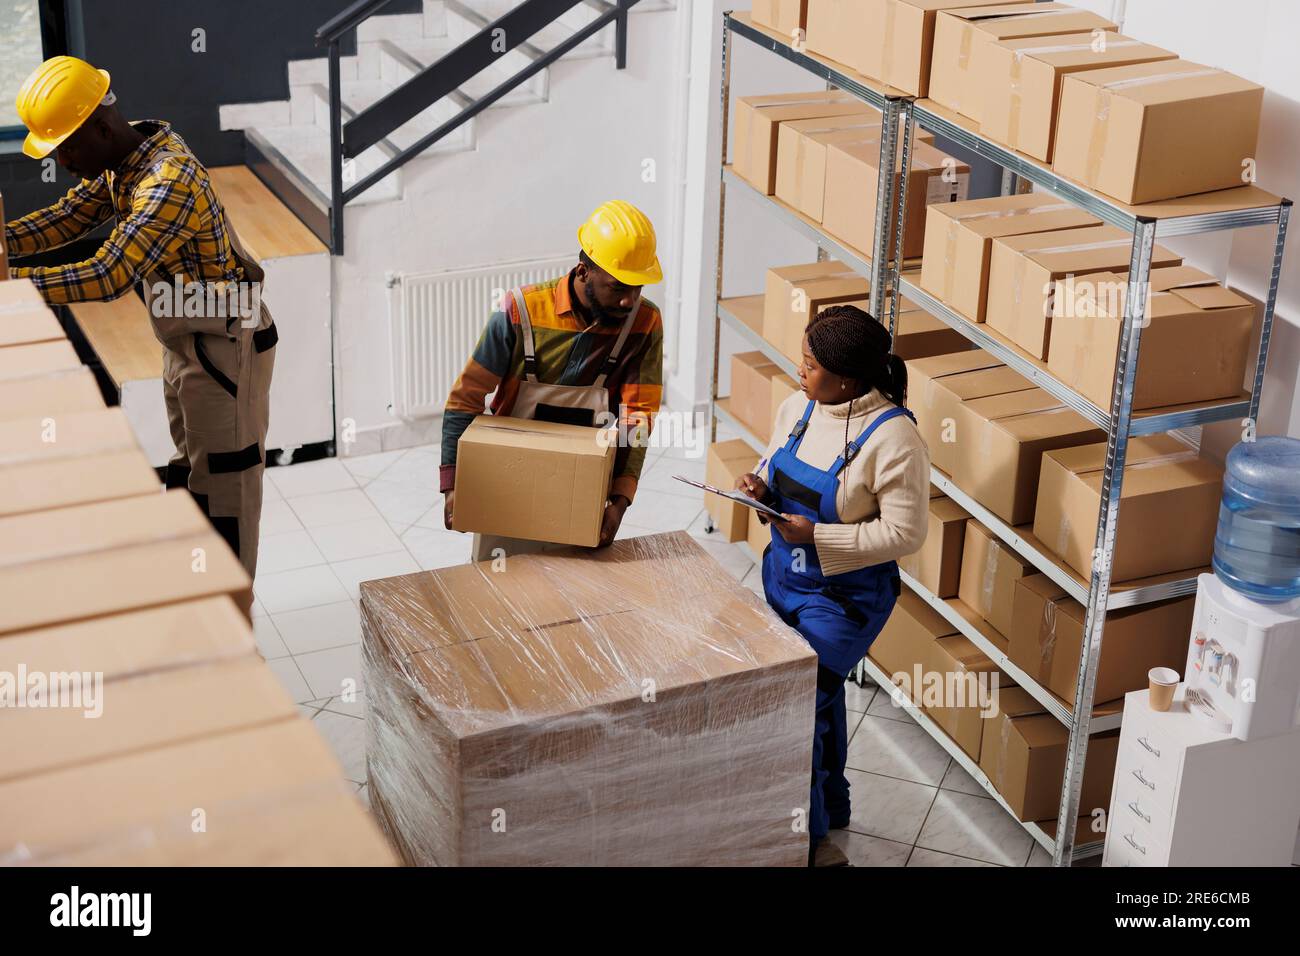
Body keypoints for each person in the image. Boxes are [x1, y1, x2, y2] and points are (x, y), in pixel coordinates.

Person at [4, 56, 276, 578]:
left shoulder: (166, 179)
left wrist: (11, 288)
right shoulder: (122, 162)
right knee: (193, 474)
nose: (61, 162)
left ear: (101, 128)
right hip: (186, 342)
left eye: (64, 148)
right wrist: (2, 245)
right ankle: (194, 591)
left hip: (225, 348)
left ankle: (228, 620)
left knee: (226, 492)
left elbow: (108, 274)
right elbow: (65, 220)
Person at [737, 305, 929, 867]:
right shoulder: (799, 406)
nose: (801, 371)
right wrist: (759, 489)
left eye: (812, 364)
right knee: (816, 694)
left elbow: (905, 533)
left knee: (800, 699)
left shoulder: (895, 439)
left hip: (847, 599)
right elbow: (773, 464)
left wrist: (819, 538)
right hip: (784, 576)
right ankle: (834, 805)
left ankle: (810, 841)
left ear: (848, 378)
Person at [440, 200, 664, 559]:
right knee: (499, 586)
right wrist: (454, 485)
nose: (629, 301)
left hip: (583, 484)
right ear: (584, 270)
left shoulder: (645, 322)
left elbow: (637, 415)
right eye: (618, 287)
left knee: (570, 601)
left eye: (638, 287)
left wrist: (620, 500)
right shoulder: (520, 311)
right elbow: (465, 398)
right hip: (506, 479)